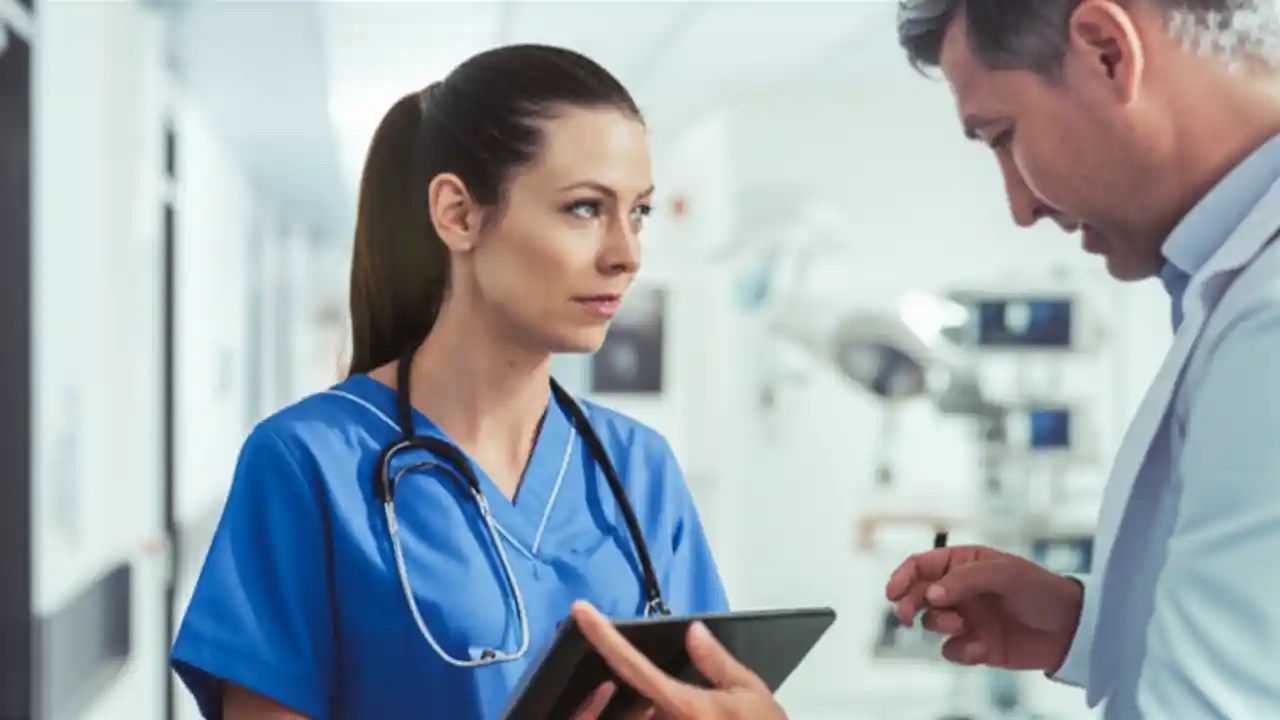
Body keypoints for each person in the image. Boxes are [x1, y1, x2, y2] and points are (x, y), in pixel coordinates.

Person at [570, 0, 1280, 717]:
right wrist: (1090, 624)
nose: (1021, 207)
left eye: (1003, 135)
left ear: (1105, 52)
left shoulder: (1267, 319)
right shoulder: (1235, 295)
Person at [169, 44, 728, 720]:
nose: (626, 255)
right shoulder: (309, 464)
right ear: (458, 214)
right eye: (584, 208)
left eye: (638, 212)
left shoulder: (639, 470)